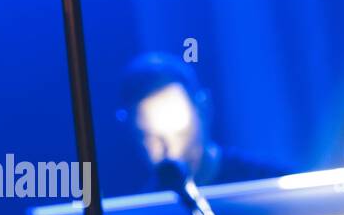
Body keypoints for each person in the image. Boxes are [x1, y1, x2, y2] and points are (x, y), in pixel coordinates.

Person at [116, 52, 287, 188]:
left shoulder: (271, 184)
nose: (171, 152)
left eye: (179, 133)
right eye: (152, 139)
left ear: (203, 109)